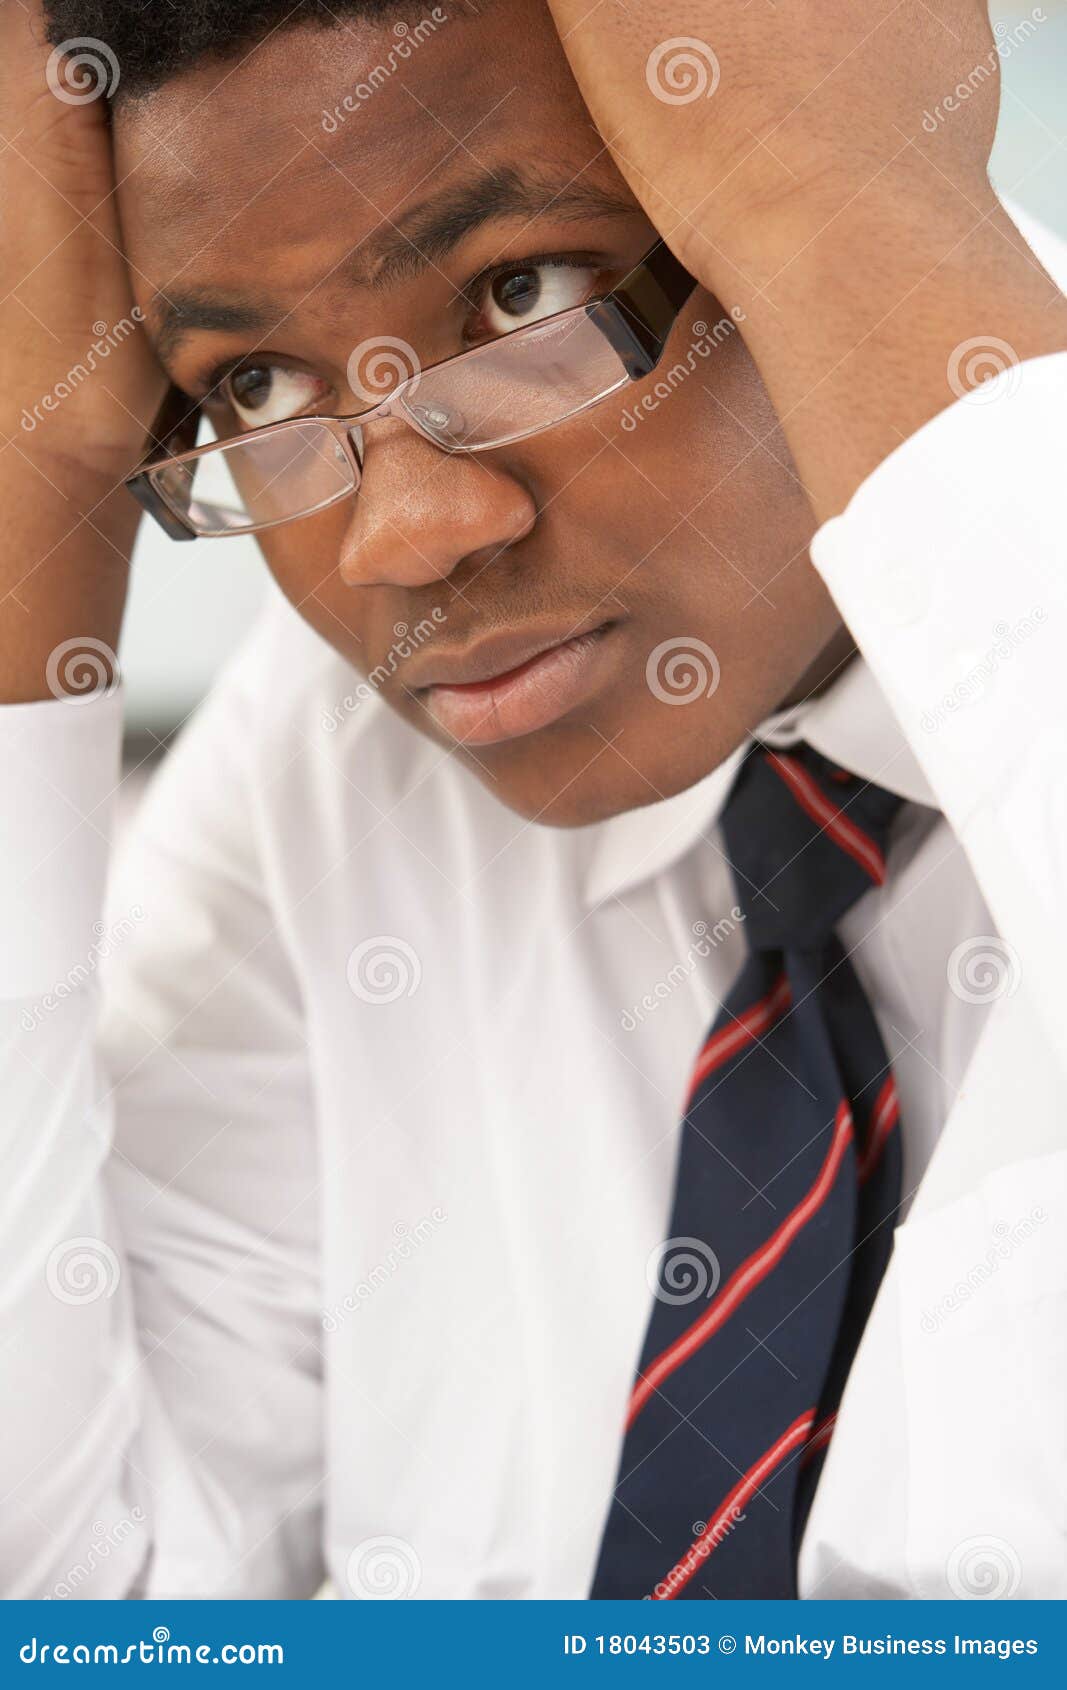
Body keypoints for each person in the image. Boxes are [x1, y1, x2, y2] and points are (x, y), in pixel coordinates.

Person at [1, 0, 1064, 1600]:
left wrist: (862, 218)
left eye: (528, 291)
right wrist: (27, 482)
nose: (403, 535)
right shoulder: (336, 773)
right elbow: (84, 1599)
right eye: (257, 388)